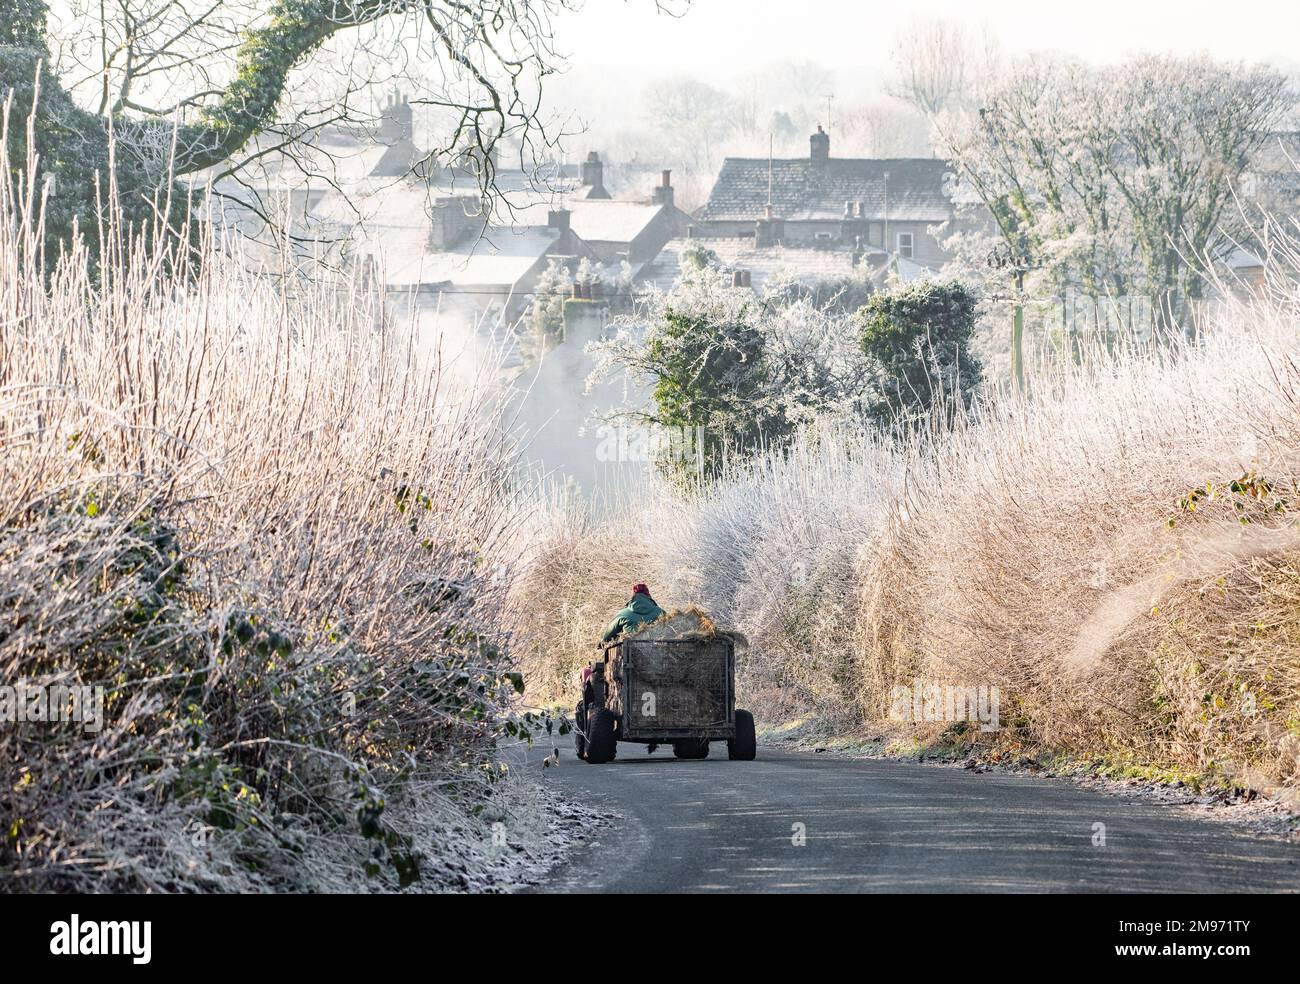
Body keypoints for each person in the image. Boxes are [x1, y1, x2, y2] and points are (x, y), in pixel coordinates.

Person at [600, 582, 666, 643]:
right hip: (656, 652)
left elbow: (607, 637)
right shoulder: (661, 612)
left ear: (633, 596)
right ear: (648, 595)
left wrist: (601, 645)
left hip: (629, 652)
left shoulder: (623, 614)